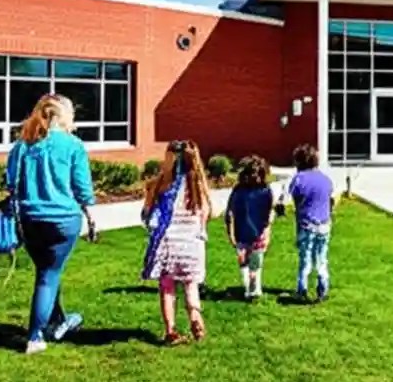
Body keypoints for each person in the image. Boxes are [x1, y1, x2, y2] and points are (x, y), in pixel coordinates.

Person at [6, 93, 97, 355]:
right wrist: (92, 218)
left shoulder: (22, 146)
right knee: (48, 275)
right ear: (65, 116)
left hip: (29, 219)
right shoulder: (73, 145)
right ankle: (35, 336)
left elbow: (11, 183)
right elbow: (82, 188)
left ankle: (58, 321)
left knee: (47, 272)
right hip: (63, 219)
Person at [141, 140, 212, 345]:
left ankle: (170, 330)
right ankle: (195, 317)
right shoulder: (198, 186)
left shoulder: (160, 184)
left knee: (167, 288)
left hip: (167, 245)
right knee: (191, 285)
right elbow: (208, 212)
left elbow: (147, 213)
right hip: (192, 245)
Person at [279, 143, 336, 302]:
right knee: (321, 258)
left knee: (305, 259)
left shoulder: (298, 179)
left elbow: (287, 199)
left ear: (299, 162)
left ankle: (302, 289)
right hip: (324, 224)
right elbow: (331, 200)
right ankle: (323, 288)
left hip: (306, 225)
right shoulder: (325, 179)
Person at [224, 155, 275, 300]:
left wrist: (230, 232)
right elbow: (270, 213)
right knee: (255, 264)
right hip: (258, 233)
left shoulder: (238, 191)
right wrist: (267, 229)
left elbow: (229, 212)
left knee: (244, 262)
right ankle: (254, 287)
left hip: (243, 233)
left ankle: (249, 287)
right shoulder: (266, 191)